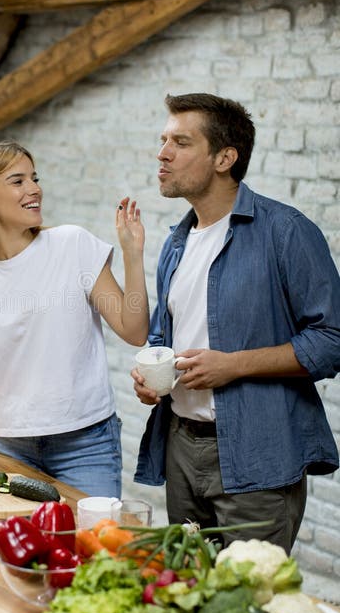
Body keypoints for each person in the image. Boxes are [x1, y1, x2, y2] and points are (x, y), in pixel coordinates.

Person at [132, 93, 340, 552]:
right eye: (164, 139)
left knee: (248, 602)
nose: (162, 153)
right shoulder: (176, 242)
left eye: (181, 142)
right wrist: (151, 377)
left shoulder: (285, 232)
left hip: (257, 455)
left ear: (225, 157)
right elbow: (164, 337)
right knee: (185, 593)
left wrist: (234, 366)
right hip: (181, 447)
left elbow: (332, 341)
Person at [0, 139, 149, 497]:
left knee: (92, 547)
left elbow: (134, 330)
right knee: (22, 552)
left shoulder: (73, 246)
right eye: (17, 181)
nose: (34, 189)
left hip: (86, 442)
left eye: (34, 178)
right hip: (10, 444)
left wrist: (133, 255)